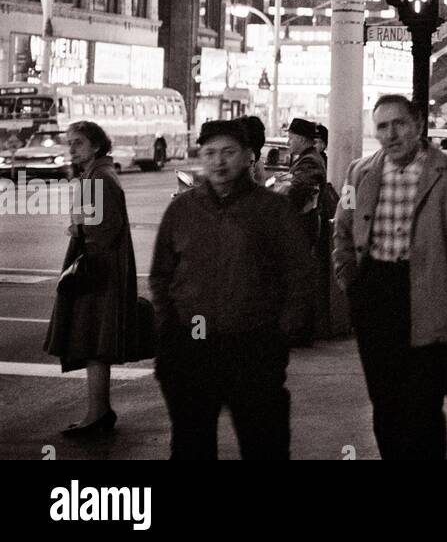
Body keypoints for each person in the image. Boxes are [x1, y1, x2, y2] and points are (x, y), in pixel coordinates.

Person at [333, 95, 447, 459]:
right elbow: (342, 232)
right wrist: (352, 285)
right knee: (385, 403)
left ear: (418, 124)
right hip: (376, 296)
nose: (391, 134)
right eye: (382, 126)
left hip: (435, 300)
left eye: (399, 123)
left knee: (423, 408)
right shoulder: (359, 173)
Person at [151, 119, 314, 459]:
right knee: (191, 445)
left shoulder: (272, 209)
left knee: (263, 444)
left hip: (253, 346)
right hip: (191, 346)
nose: (218, 161)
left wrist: (281, 333)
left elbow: (299, 273)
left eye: (228, 152)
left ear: (247, 157)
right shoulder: (182, 209)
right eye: (210, 153)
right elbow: (161, 275)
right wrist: (169, 331)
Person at [44, 121, 141, 438]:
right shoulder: (96, 175)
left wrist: (79, 231)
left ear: (97, 146)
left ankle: (97, 415)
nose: (72, 149)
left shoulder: (98, 178)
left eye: (79, 143)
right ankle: (98, 412)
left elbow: (104, 230)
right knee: (94, 343)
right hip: (101, 268)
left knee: (93, 343)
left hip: (97, 272)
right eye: (69, 142)